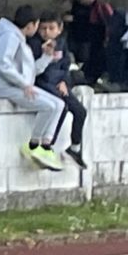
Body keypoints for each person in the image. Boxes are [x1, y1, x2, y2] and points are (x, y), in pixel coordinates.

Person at [0, 5, 68, 171]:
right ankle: (33, 145)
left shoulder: (20, 40)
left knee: (59, 105)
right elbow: (3, 65)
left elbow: (31, 71)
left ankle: (46, 146)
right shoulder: (9, 37)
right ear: (31, 25)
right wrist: (23, 84)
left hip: (19, 85)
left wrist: (47, 56)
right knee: (48, 106)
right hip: (6, 86)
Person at [35, 15, 89, 167]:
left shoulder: (62, 44)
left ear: (59, 29)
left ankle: (74, 148)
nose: (46, 32)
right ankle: (46, 145)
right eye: (43, 28)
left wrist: (65, 82)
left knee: (80, 111)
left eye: (51, 28)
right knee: (61, 108)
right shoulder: (35, 44)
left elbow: (66, 66)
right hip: (43, 83)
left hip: (60, 84)